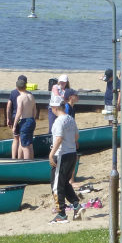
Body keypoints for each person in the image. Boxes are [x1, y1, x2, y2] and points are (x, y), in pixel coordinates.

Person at [48, 96, 81, 224]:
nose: (51, 110)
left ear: (55, 108)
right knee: (65, 183)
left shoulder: (59, 121)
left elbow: (59, 138)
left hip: (62, 155)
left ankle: (61, 213)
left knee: (56, 185)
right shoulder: (70, 119)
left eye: (51, 108)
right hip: (72, 153)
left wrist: (51, 154)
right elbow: (76, 136)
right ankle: (76, 205)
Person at [13, 77, 37, 160]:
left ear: (17, 88)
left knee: (24, 146)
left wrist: (14, 125)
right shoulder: (31, 96)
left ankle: (26, 163)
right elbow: (35, 111)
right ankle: (32, 161)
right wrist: (32, 119)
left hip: (25, 121)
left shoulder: (20, 98)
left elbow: (19, 112)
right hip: (31, 120)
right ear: (26, 87)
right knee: (30, 144)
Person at [5, 75, 27, 158]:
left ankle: (13, 158)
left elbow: (8, 106)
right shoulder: (28, 94)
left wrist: (8, 118)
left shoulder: (13, 92)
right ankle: (19, 159)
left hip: (14, 117)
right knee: (21, 140)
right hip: (23, 118)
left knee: (15, 139)